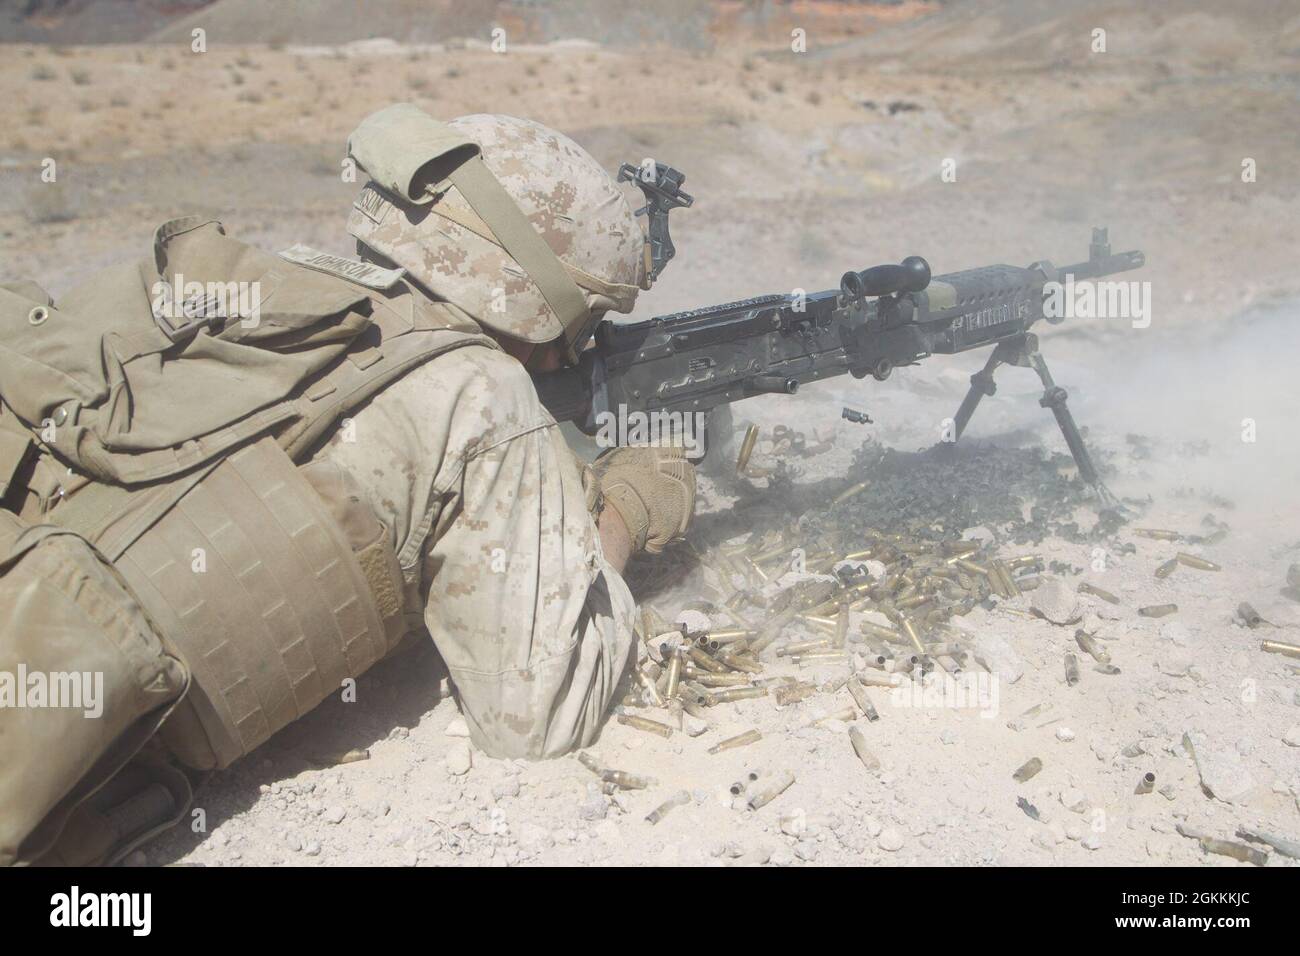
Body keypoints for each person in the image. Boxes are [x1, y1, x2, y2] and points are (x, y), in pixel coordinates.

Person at [0, 104, 694, 864]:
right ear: (550, 298)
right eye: (588, 325)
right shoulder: (481, 393)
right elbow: (537, 716)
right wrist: (626, 508)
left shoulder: (264, 286)